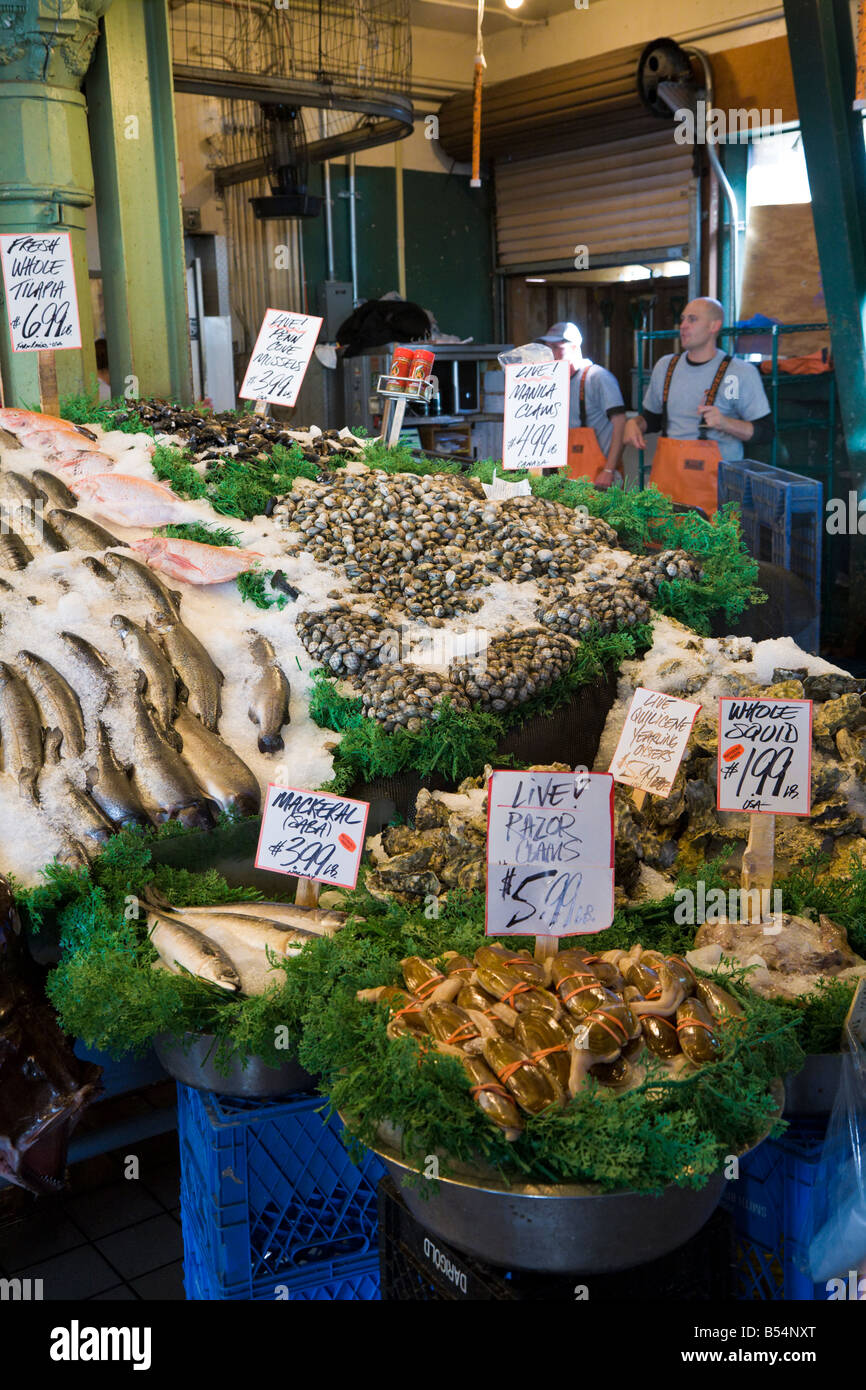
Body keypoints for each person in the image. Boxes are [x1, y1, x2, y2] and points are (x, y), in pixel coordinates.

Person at [623, 297, 774, 515]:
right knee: (661, 545)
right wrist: (634, 423)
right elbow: (652, 418)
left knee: (708, 546)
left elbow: (766, 432)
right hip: (667, 489)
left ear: (714, 326)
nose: (683, 325)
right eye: (683, 319)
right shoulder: (666, 366)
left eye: (692, 319)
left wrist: (725, 423)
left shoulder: (740, 372)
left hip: (716, 493)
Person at [534, 322, 626, 488]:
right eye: (548, 348)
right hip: (566, 480)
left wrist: (608, 471)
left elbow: (621, 425)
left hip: (598, 480)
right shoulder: (553, 383)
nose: (551, 354)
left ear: (575, 347)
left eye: (557, 347)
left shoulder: (598, 377)